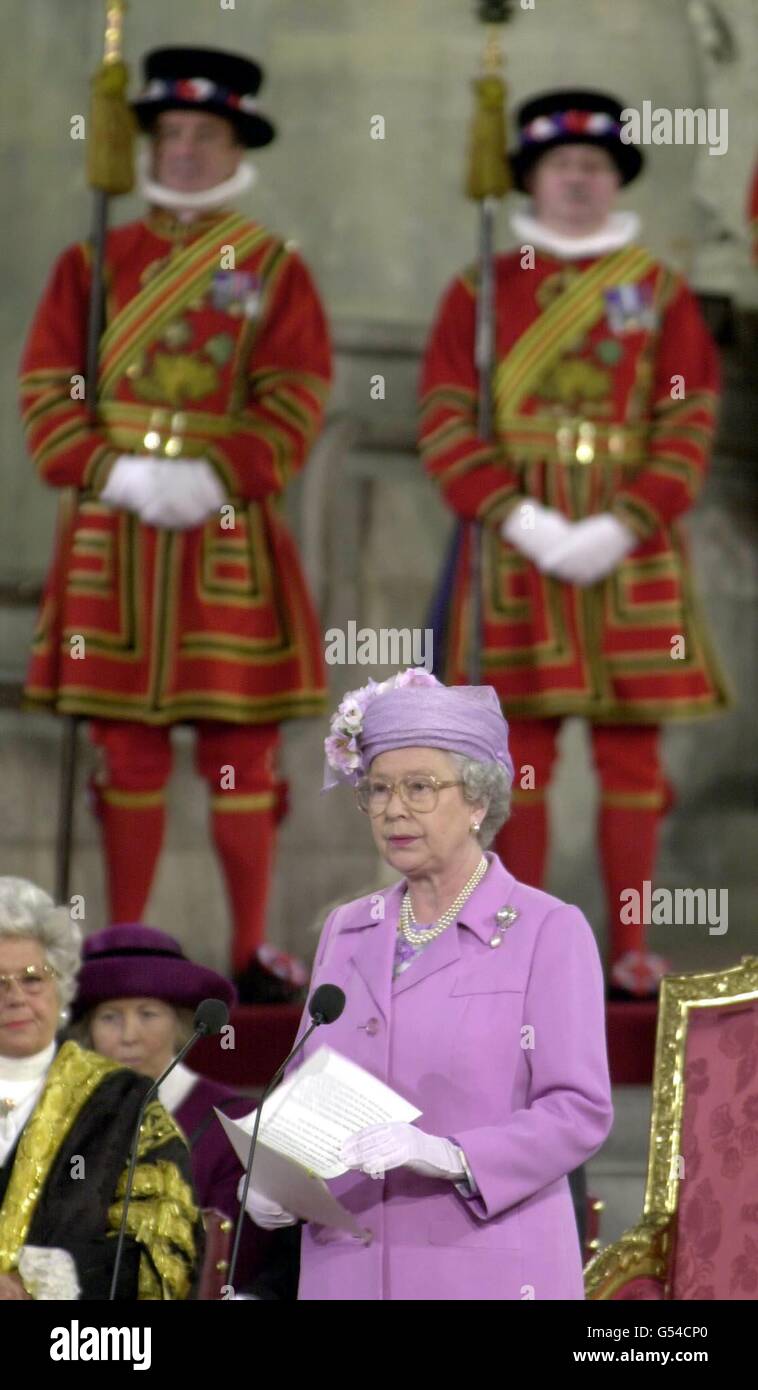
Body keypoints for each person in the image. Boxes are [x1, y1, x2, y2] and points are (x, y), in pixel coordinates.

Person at [19, 46, 331, 988]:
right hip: (114, 534)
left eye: (206, 134)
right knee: (127, 746)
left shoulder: (274, 268)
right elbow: (46, 389)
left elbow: (298, 394)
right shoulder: (93, 261)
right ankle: (124, 943)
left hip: (226, 533)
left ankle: (250, 948)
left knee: (243, 745)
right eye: (171, 133)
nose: (185, 150)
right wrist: (110, 469)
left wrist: (218, 473)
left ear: (235, 141)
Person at [420, 89, 731, 998]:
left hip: (627, 544)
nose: (580, 184)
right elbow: (441, 413)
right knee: (522, 754)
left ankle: (631, 946)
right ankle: (525, 945)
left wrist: (626, 520)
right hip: (514, 541)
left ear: (615, 179)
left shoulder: (660, 290)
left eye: (596, 168)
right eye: (563, 168)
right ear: (533, 178)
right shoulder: (482, 286)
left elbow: (689, 415)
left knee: (633, 753)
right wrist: (513, 513)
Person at [242, 668, 613, 1300]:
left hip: (482, 1265)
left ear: (476, 801)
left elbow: (578, 1110)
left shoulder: (547, 929)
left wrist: (450, 1155)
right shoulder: (348, 929)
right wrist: (272, 1171)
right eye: (379, 789)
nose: (393, 809)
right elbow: (313, 1088)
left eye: (420, 787)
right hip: (346, 1267)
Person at [0, 878, 201, 1300]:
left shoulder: (126, 1103)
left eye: (32, 979)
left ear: (61, 988)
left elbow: (159, 1248)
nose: (15, 997)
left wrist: (33, 1287)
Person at [69, 921, 271, 1290]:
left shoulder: (235, 1122)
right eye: (110, 1017)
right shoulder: (60, 1121)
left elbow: (256, 1257)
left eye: (148, 1014)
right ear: (88, 1030)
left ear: (179, 1024)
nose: (129, 1035)